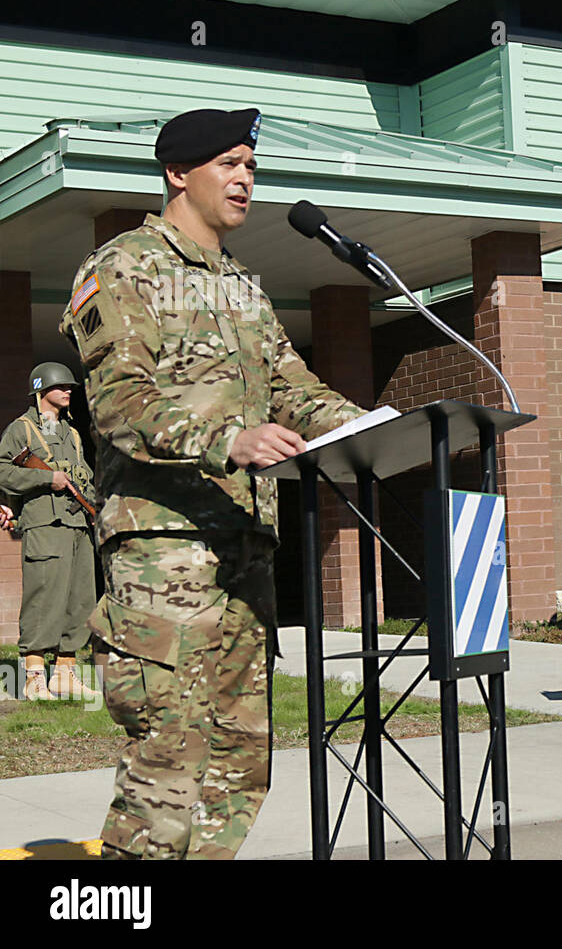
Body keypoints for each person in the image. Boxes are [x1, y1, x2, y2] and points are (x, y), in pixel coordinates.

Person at [57, 107, 366, 860]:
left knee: (237, 769)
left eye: (251, 167)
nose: (245, 179)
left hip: (247, 556)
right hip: (166, 558)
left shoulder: (243, 290)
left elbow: (293, 390)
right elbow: (122, 405)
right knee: (164, 775)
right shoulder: (125, 266)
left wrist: (372, 426)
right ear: (177, 172)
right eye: (229, 163)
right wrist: (229, 439)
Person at [0, 363, 99, 701]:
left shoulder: (72, 433)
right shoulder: (21, 430)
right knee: (43, 599)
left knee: (79, 599)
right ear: (42, 390)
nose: (69, 391)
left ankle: (65, 674)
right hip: (44, 525)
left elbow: (82, 474)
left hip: (76, 525)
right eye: (62, 387)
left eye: (70, 387)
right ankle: (33, 678)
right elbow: (3, 471)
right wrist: (46, 478)